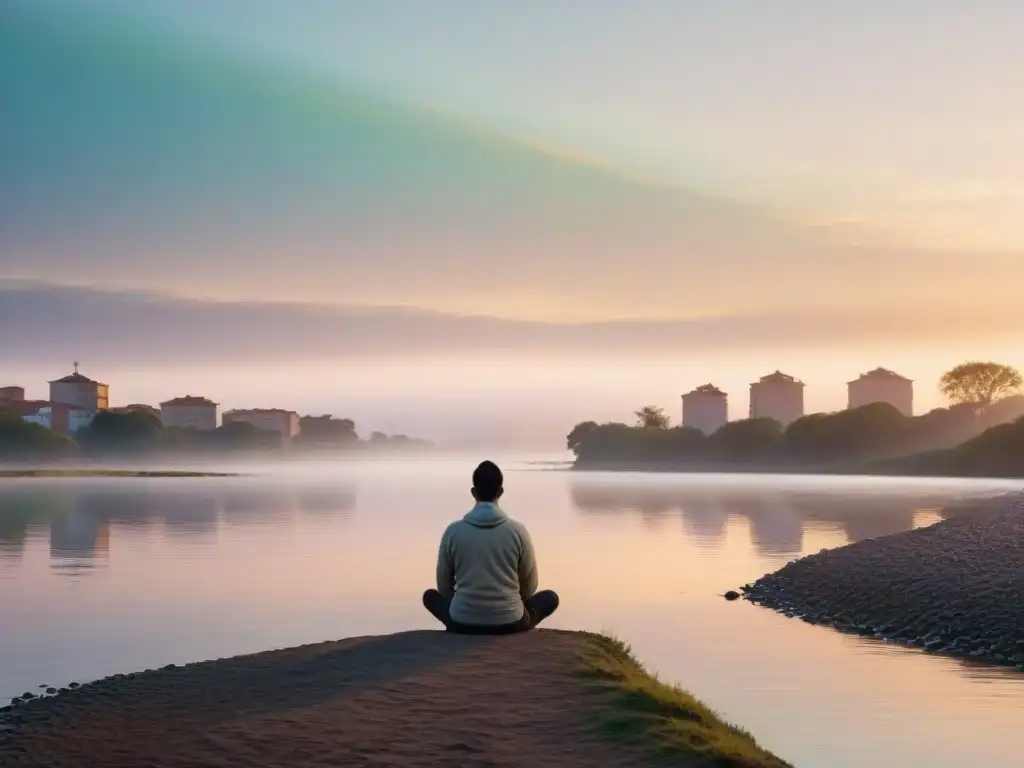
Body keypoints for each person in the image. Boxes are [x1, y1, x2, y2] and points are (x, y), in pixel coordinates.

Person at [422, 460, 559, 634]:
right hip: (510, 622)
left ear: (473, 492)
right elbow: (530, 585)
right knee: (550, 598)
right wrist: (509, 604)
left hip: (462, 623)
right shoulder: (518, 531)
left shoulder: (453, 531)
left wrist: (464, 606)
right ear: (500, 492)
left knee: (430, 596)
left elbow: (443, 585)